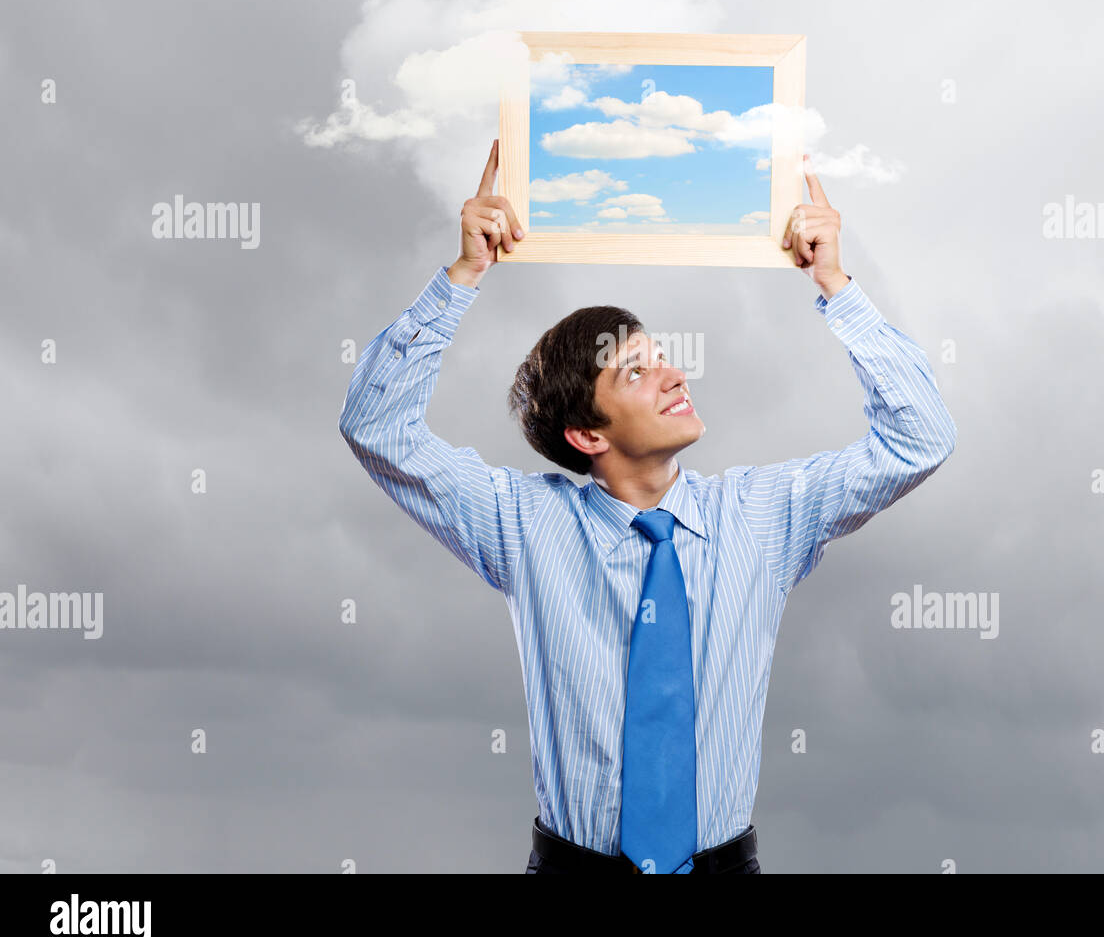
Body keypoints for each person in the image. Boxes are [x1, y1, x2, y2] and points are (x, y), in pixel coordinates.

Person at [338, 139, 957, 874]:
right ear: (586, 433)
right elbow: (377, 429)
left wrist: (835, 286)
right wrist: (462, 277)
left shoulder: (764, 515)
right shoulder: (524, 525)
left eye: (660, 355)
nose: (672, 375)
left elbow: (920, 437)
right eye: (635, 370)